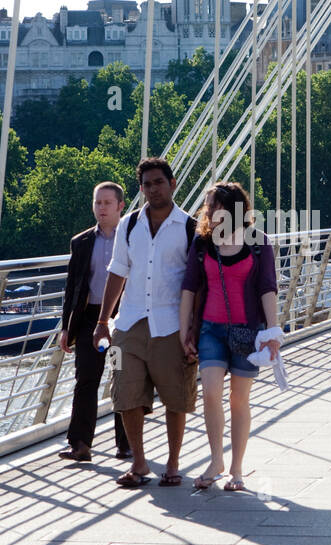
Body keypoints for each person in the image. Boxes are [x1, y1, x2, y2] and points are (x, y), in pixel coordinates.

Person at [93, 157, 199, 489]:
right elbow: (117, 270)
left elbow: (196, 283)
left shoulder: (190, 227)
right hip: (129, 325)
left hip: (172, 326)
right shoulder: (128, 225)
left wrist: (193, 329)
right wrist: (103, 321)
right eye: (147, 184)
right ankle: (138, 463)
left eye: (159, 182)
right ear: (141, 189)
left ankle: (172, 464)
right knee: (124, 392)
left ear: (173, 183)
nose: (153, 189)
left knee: (176, 397)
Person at [179, 182, 281, 493]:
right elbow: (189, 287)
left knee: (239, 399)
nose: (209, 211)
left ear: (234, 208)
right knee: (210, 392)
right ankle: (216, 460)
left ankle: (236, 468)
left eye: (215, 205)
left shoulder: (258, 242)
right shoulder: (202, 243)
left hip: (248, 331)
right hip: (211, 328)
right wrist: (185, 330)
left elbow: (267, 287)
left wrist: (273, 333)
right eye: (208, 205)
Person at [58, 181, 131, 462]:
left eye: (107, 203)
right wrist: (67, 328)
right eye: (97, 202)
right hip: (90, 319)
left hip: (123, 318)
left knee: (123, 378)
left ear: (120, 206)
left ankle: (125, 445)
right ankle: (80, 444)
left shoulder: (131, 238)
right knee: (86, 379)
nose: (101, 208)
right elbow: (73, 288)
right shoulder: (82, 242)